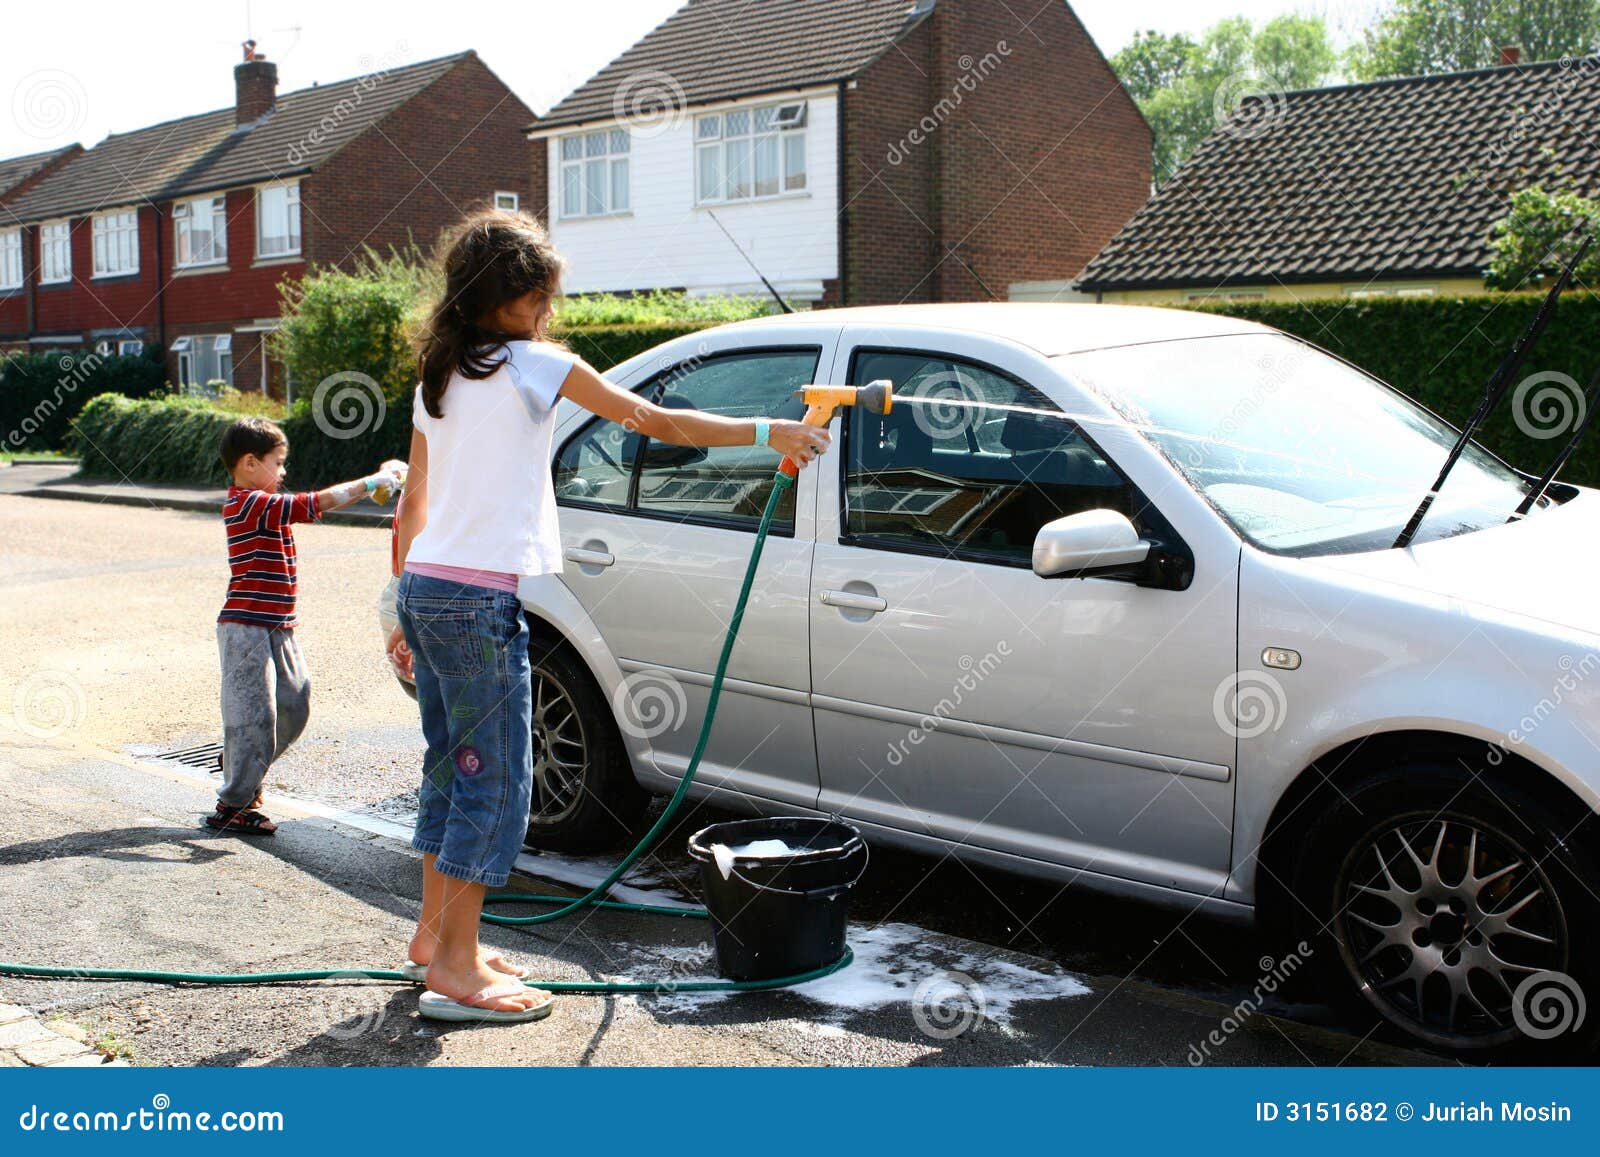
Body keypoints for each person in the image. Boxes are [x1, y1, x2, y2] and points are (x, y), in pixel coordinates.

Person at [386, 209, 830, 1023]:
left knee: (453, 768)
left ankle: (435, 937)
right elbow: (652, 422)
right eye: (541, 297)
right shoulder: (538, 365)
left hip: (426, 589)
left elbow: (412, 501)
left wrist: (397, 607)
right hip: (478, 599)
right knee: (499, 780)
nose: (549, 311)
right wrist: (773, 432)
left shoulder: (439, 378)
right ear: (512, 296)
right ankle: (454, 968)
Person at [212, 417, 404, 835]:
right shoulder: (245, 503)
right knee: (253, 716)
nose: (283, 472)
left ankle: (243, 768)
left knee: (295, 704)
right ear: (249, 463)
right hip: (244, 627)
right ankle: (234, 803)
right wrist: (372, 482)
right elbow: (310, 505)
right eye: (278, 463)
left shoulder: (262, 502)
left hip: (279, 625)